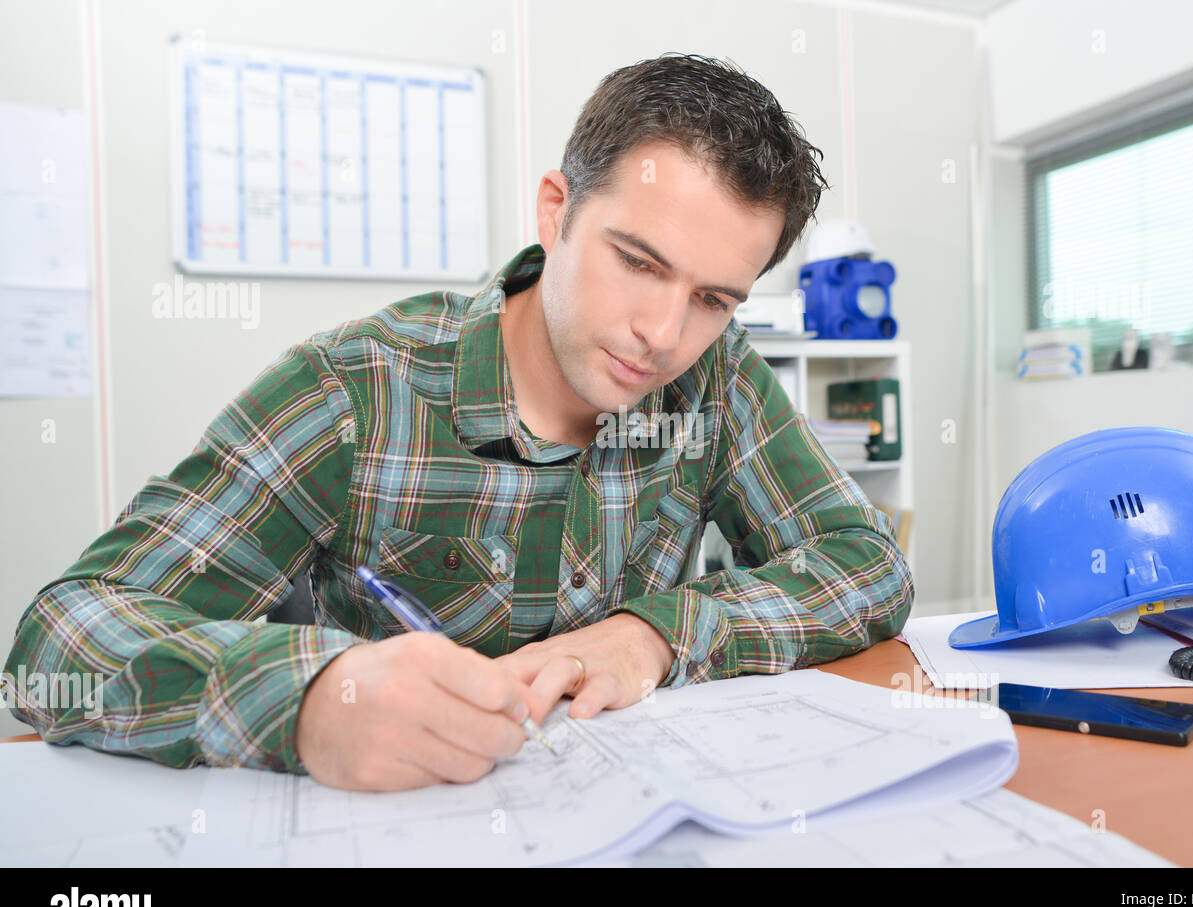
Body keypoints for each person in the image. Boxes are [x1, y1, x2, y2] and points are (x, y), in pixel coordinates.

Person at [6, 53, 914, 792]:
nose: (665, 334)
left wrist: (659, 631)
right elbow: (62, 637)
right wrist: (311, 696)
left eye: (714, 298)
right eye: (638, 263)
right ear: (556, 211)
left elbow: (866, 563)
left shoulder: (715, 377)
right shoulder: (351, 389)